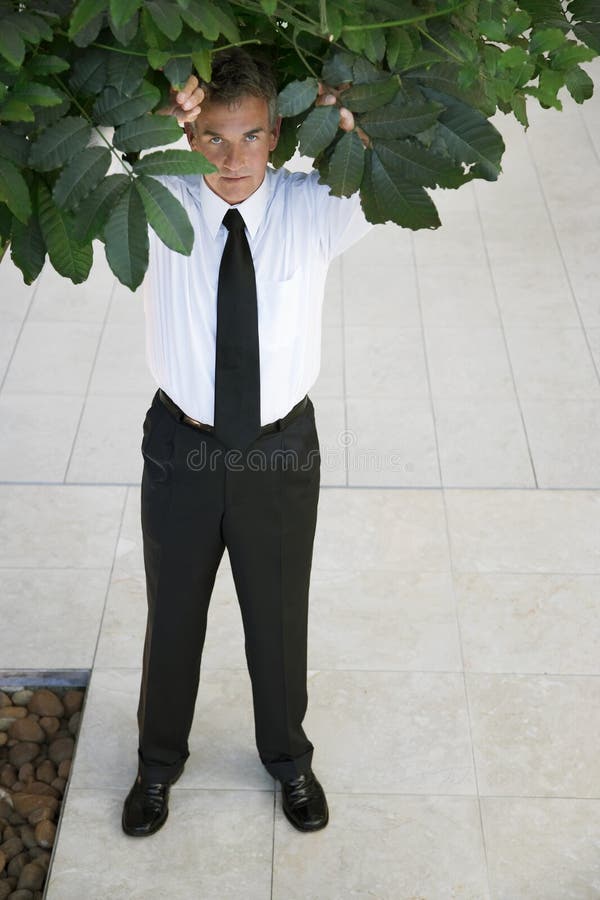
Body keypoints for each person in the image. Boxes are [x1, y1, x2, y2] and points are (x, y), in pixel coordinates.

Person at [121, 48, 373, 838]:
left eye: (254, 137)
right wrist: (157, 118)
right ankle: (158, 766)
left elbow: (372, 158)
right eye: (215, 139)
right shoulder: (155, 194)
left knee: (277, 613)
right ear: (191, 136)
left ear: (277, 134)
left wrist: (335, 104)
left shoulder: (314, 207)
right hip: (182, 445)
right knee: (175, 617)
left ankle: (288, 761)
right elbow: (101, 162)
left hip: (279, 451)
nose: (235, 160)